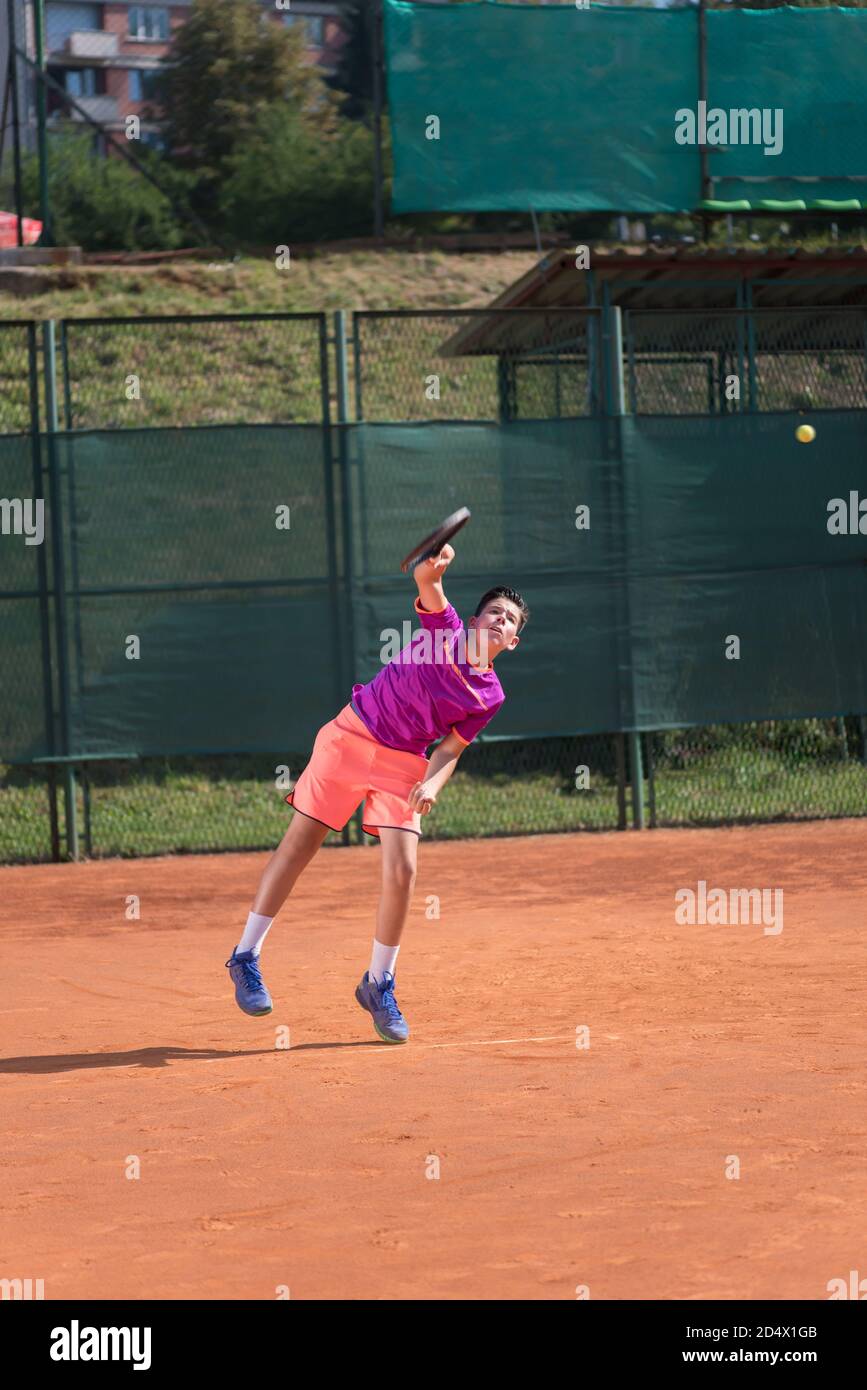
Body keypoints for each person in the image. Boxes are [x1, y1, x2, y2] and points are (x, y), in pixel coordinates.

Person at [225, 543, 529, 1043]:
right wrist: (433, 570)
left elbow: (451, 748)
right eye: (494, 611)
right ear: (474, 622)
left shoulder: (490, 696)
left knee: (405, 868)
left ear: (513, 641)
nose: (500, 619)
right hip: (351, 734)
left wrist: (431, 782)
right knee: (300, 846)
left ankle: (378, 983)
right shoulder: (445, 631)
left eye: (511, 619)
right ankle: (245, 956)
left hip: (403, 763)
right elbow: (430, 587)